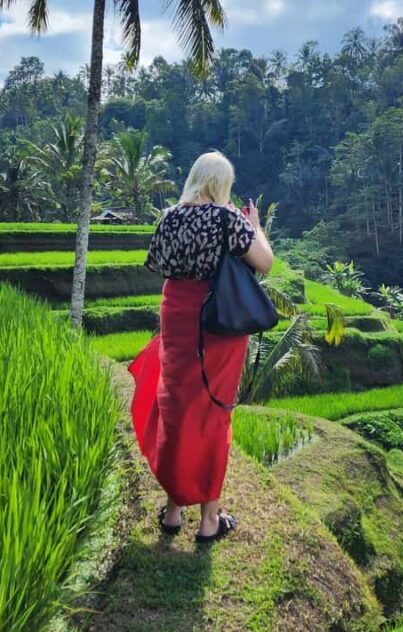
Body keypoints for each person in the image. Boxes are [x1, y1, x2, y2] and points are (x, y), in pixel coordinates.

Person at [128, 151, 274, 543]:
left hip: (176, 313)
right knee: (211, 414)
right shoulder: (229, 219)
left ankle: (174, 509)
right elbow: (265, 262)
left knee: (175, 406)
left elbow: (157, 262)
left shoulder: (169, 217)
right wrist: (255, 227)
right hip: (216, 323)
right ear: (220, 185)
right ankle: (210, 518)